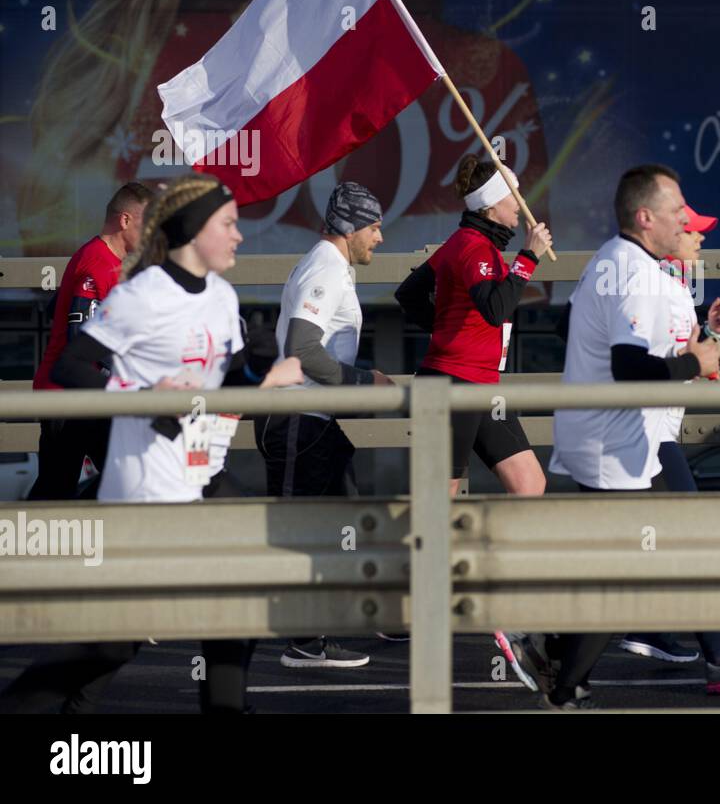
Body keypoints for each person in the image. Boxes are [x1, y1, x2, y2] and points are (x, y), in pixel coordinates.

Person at [17, 0, 548, 261]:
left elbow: (514, 310)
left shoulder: (482, 71)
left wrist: (523, 256)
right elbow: (67, 262)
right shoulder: (136, 75)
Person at [0, 175, 304, 714]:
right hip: (148, 483)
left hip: (202, 475)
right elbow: (70, 365)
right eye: (229, 225)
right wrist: (143, 395)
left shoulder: (222, 295)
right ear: (193, 231)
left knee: (240, 594)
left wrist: (257, 368)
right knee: (117, 637)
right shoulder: (142, 295)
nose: (240, 237)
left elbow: (224, 391)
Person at [510, 165, 720, 710]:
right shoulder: (633, 271)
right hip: (615, 444)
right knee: (627, 572)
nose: (684, 218)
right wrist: (694, 363)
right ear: (645, 217)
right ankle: (563, 684)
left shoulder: (618, 260)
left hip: (611, 437)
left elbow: (590, 337)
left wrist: (696, 349)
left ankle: (554, 655)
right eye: (677, 209)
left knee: (627, 562)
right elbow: (630, 367)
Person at [256, 181, 391, 669]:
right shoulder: (326, 266)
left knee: (348, 519)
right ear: (351, 227)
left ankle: (377, 614)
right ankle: (304, 641)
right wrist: (362, 382)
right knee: (303, 531)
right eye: (374, 228)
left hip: (315, 421)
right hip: (296, 420)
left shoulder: (334, 266)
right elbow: (302, 348)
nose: (380, 238)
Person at [615, 202, 720, 692]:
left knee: (649, 540)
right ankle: (718, 658)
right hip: (649, 434)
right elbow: (695, 370)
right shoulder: (664, 292)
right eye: (695, 233)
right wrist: (705, 347)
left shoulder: (664, 288)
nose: (701, 241)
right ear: (671, 236)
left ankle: (646, 627)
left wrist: (708, 335)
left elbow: (684, 364)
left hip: (640, 431)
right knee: (689, 538)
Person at [395, 154, 552, 495]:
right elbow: (495, 309)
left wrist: (444, 330)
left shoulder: (469, 243)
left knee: (529, 484)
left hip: (480, 384)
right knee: (440, 493)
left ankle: (497, 549)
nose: (522, 203)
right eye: (515, 193)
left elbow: (409, 293)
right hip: (454, 386)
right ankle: (423, 549)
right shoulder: (473, 247)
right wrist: (528, 258)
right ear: (493, 204)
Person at [29, 182, 153, 500]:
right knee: (57, 491)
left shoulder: (107, 262)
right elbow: (78, 341)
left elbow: (56, 307)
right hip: (68, 398)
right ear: (125, 220)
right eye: (146, 224)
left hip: (87, 395)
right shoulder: (96, 263)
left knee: (127, 475)